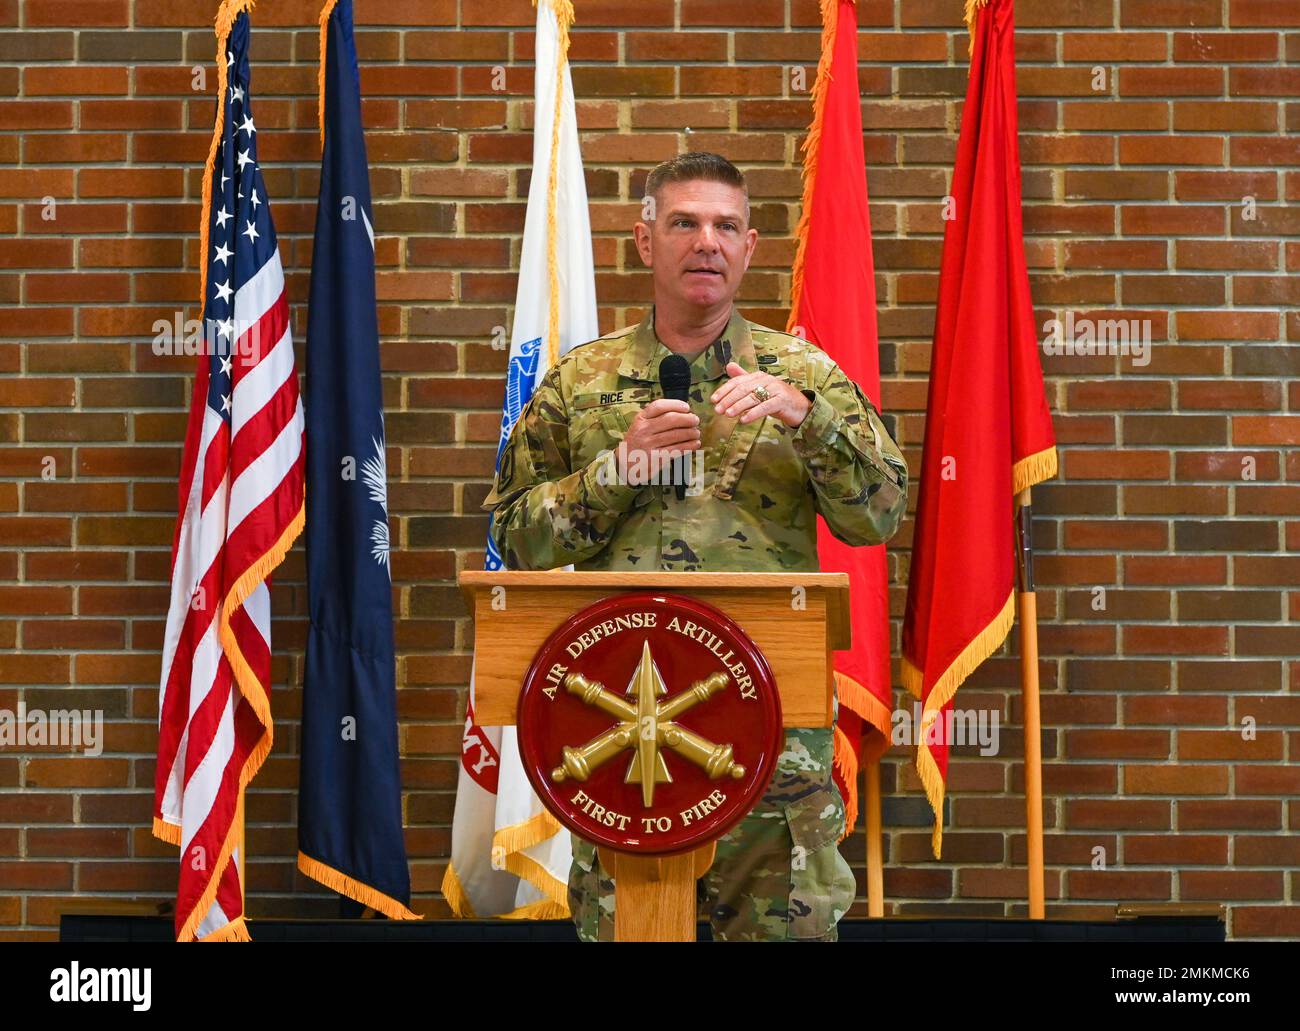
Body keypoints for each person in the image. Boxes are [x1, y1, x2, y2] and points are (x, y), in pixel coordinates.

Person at [482, 151, 908, 940]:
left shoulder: (802, 371)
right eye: (684, 222)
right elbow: (512, 532)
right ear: (646, 242)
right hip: (617, 738)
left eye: (725, 226)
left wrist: (804, 417)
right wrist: (615, 471)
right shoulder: (584, 380)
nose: (705, 242)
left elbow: (879, 517)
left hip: (774, 743)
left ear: (750, 248)